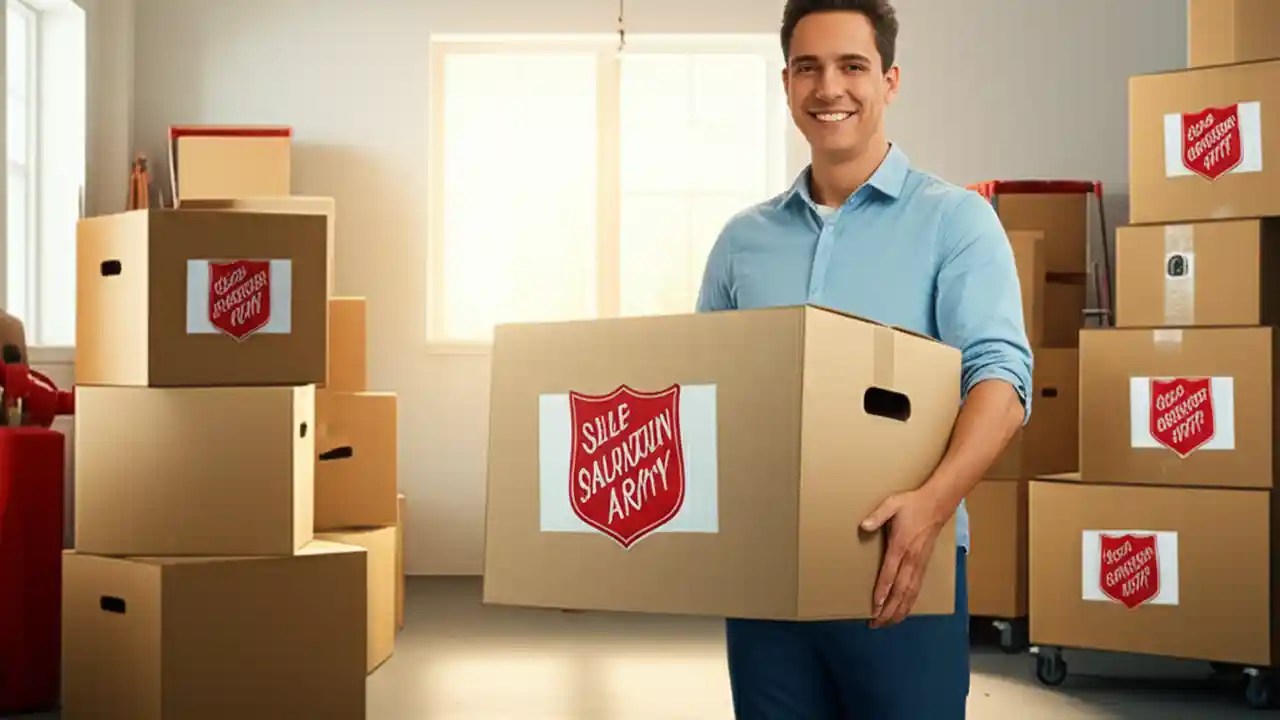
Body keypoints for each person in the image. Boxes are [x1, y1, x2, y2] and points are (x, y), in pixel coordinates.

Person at [695, 0, 1033, 718]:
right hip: (765, 580)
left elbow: (1002, 383)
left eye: (853, 66)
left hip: (905, 564)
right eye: (809, 68)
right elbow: (705, 398)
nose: (830, 89)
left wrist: (931, 507)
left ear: (890, 80)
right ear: (785, 83)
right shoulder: (740, 242)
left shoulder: (956, 222)